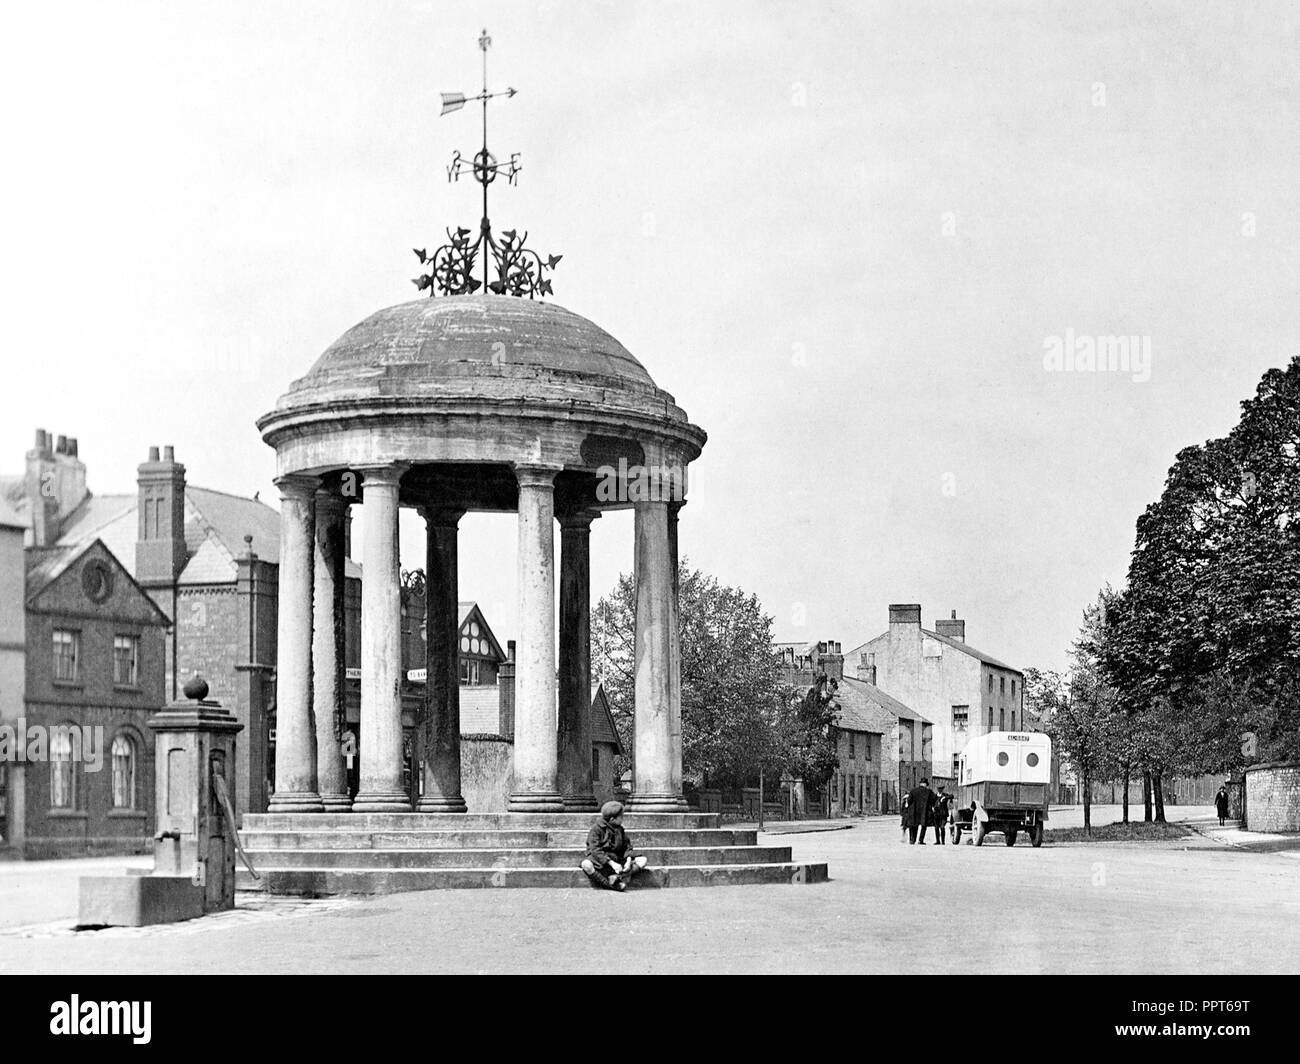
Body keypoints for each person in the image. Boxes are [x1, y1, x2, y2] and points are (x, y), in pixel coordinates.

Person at [582, 800, 648, 891]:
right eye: (621, 817)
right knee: (586, 864)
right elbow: (595, 850)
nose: (622, 819)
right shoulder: (596, 829)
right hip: (601, 861)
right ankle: (610, 885)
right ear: (612, 819)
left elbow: (627, 846)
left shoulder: (620, 829)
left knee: (643, 860)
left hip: (617, 859)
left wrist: (628, 860)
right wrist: (612, 863)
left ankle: (617, 877)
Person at [905, 778, 934, 844]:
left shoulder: (913, 791)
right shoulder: (928, 792)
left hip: (914, 811)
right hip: (924, 811)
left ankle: (912, 840)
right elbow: (933, 800)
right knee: (924, 826)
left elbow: (909, 801)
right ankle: (920, 840)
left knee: (914, 825)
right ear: (926, 784)